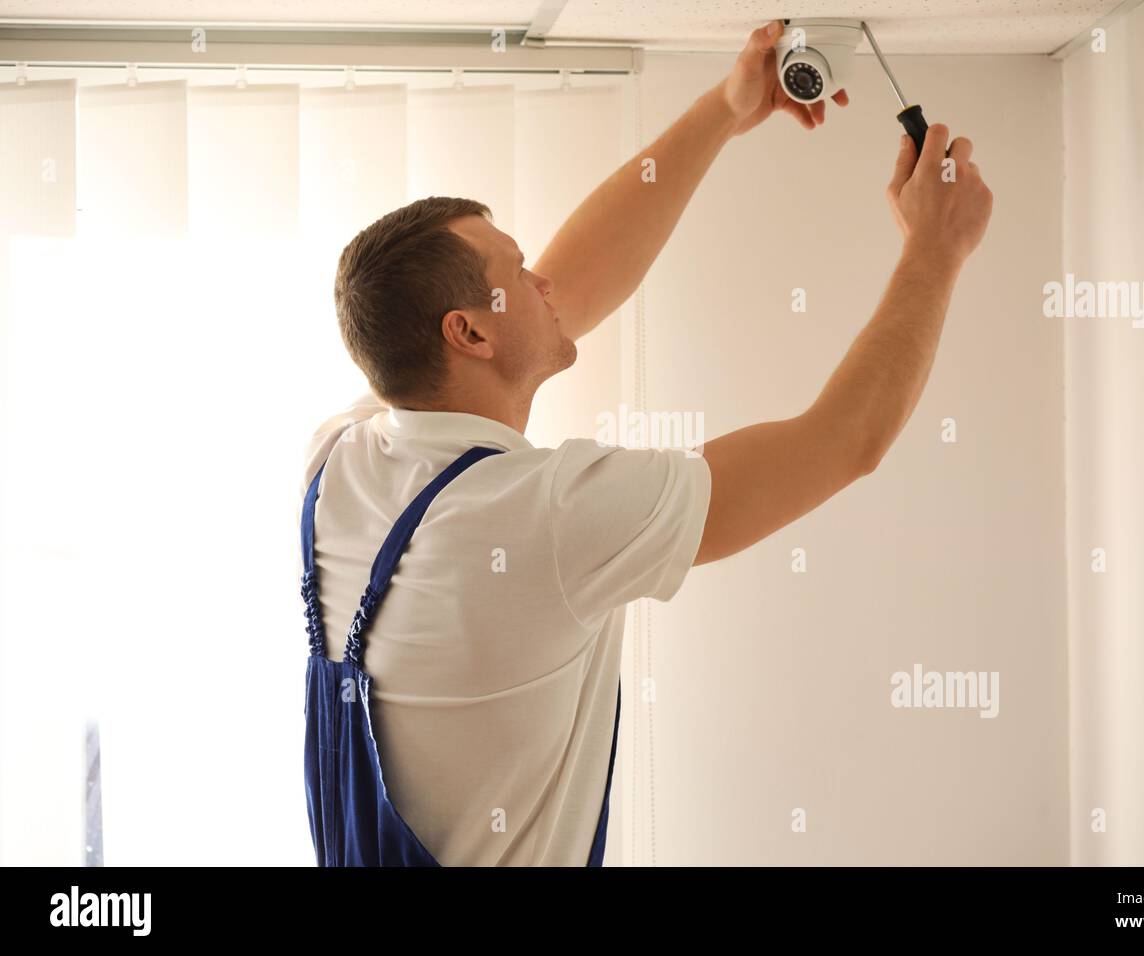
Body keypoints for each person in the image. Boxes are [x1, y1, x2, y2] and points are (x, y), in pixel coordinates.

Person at [298, 19, 993, 866]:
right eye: (518, 271)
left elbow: (568, 288)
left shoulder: (341, 462)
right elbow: (845, 442)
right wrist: (937, 246)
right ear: (469, 334)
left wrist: (729, 106)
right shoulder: (541, 518)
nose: (542, 277)